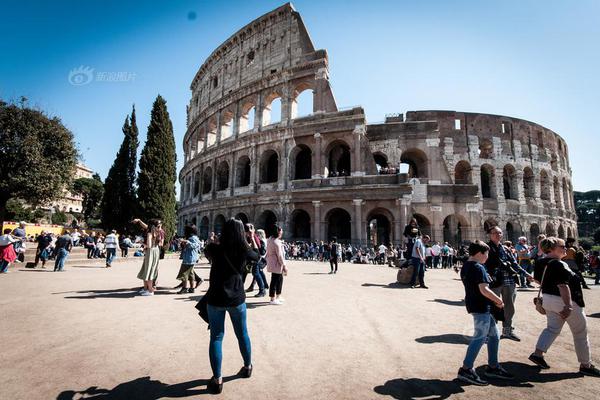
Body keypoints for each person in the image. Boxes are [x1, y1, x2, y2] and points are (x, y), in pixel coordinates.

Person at [528, 237, 600, 377]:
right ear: (553, 249)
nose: (565, 248)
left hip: (548, 299)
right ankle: (586, 364)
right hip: (564, 300)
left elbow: (538, 280)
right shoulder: (559, 264)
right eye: (562, 246)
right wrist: (568, 305)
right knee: (580, 333)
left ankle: (538, 354)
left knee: (552, 329)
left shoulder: (540, 262)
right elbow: (563, 285)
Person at [203, 218, 259, 394]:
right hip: (237, 299)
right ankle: (247, 367)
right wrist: (252, 237)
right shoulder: (245, 251)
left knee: (216, 338)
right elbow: (257, 256)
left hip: (216, 298)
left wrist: (215, 240)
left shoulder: (214, 249)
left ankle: (217, 379)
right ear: (242, 232)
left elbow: (208, 250)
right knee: (242, 334)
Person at [457, 240, 514, 385]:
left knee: (494, 336)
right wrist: (499, 301)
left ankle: (493, 366)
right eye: (486, 253)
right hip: (481, 305)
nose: (487, 256)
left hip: (476, 304)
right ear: (479, 253)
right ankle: (466, 369)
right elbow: (484, 289)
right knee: (480, 338)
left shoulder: (467, 266)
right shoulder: (478, 267)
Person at [485, 226, 533, 341]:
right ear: (489, 235)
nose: (498, 235)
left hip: (509, 280)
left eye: (500, 233)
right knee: (493, 306)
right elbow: (483, 264)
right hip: (494, 281)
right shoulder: (486, 248)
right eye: (495, 233)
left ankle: (507, 331)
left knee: (509, 307)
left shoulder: (506, 249)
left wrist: (526, 274)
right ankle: (491, 332)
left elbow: (514, 264)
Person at [133, 218, 164, 296]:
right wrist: (140, 221)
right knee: (150, 269)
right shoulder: (160, 232)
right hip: (156, 251)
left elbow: (149, 246)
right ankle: (147, 289)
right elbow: (161, 244)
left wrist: (141, 242)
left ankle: (150, 290)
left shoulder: (150, 233)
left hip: (150, 252)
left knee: (148, 270)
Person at [175, 225, 201, 294]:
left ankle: (184, 288)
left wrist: (187, 242)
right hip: (190, 258)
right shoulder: (193, 237)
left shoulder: (193, 238)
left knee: (184, 274)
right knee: (191, 274)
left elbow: (196, 245)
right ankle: (192, 288)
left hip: (189, 258)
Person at [266, 224, 288, 304]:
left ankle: (278, 296)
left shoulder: (270, 239)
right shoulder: (276, 242)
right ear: (278, 232)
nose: (282, 233)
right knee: (275, 281)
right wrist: (284, 265)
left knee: (279, 279)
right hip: (277, 263)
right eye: (281, 232)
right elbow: (280, 255)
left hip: (273, 262)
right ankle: (272, 298)